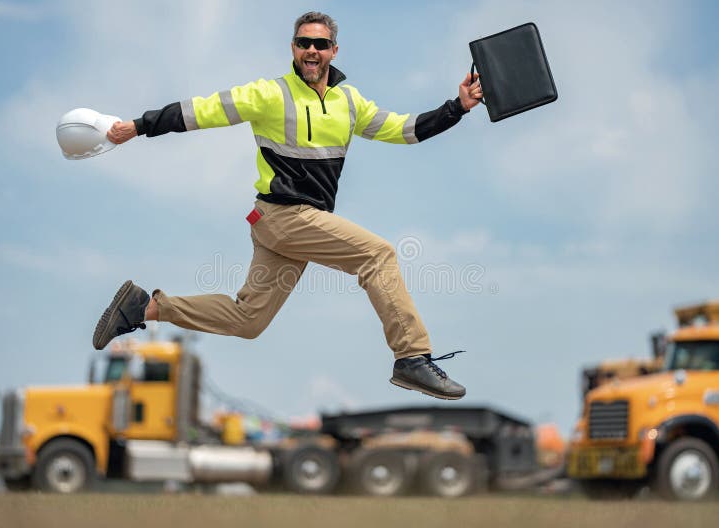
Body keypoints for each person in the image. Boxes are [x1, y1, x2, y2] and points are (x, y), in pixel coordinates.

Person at [93, 11, 483, 400]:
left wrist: (458, 107)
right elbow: (201, 110)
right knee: (377, 255)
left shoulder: (349, 101)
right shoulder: (269, 94)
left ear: (334, 50)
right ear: (293, 48)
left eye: (320, 44)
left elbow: (404, 130)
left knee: (248, 320)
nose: (311, 51)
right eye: (303, 43)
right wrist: (139, 125)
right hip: (283, 216)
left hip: (293, 226)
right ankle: (412, 357)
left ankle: (144, 308)